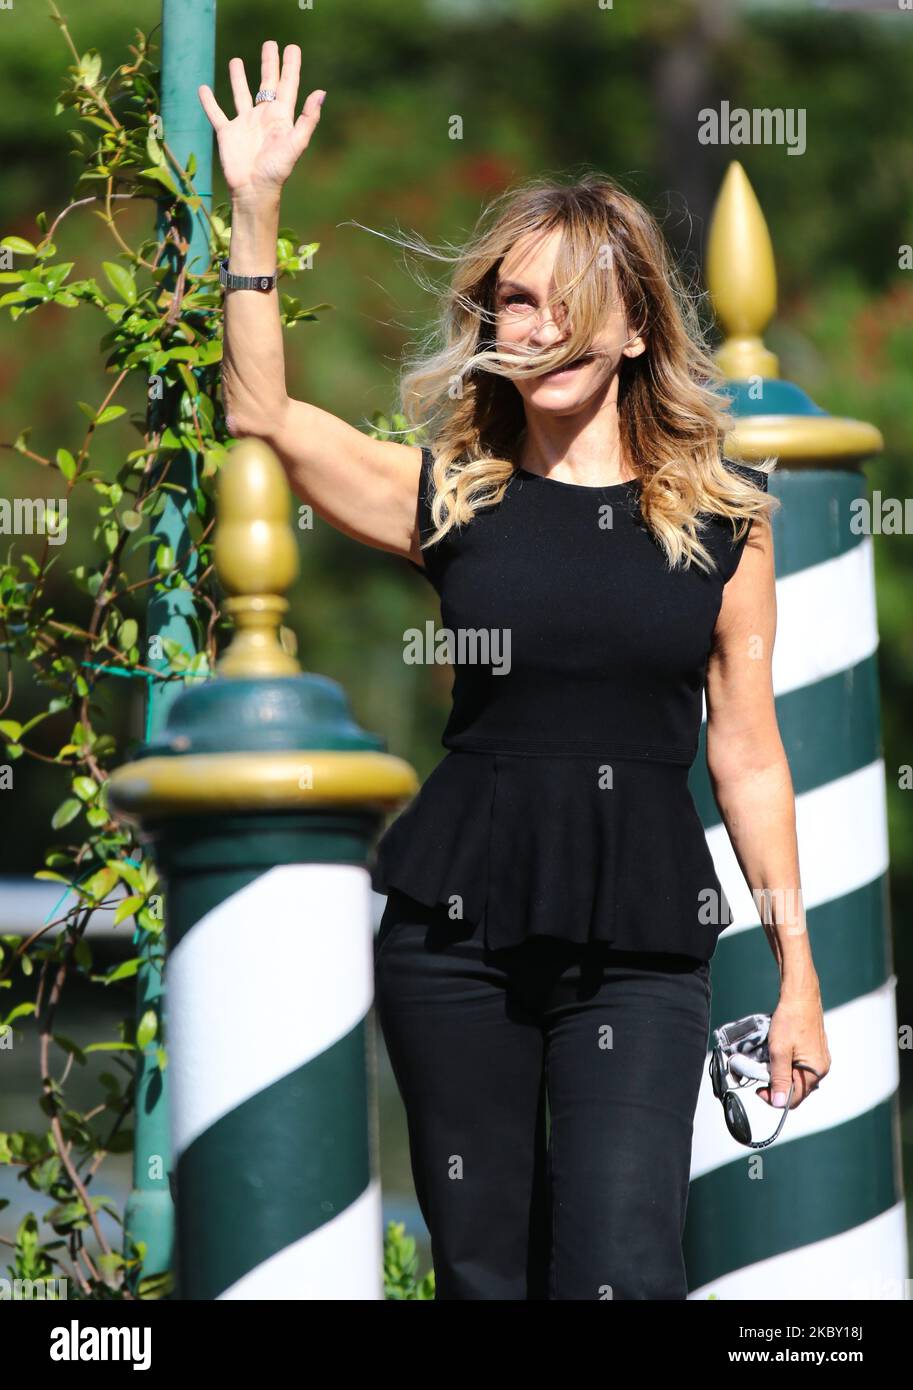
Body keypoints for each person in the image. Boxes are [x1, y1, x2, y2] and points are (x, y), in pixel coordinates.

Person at [200, 39, 832, 1301]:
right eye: (514, 303)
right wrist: (257, 205)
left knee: (621, 1269)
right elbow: (261, 414)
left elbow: (747, 746)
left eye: (560, 304)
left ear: (635, 323)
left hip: (646, 938)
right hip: (454, 930)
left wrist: (798, 970)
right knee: (487, 1273)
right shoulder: (452, 492)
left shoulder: (726, 518)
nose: (530, 330)